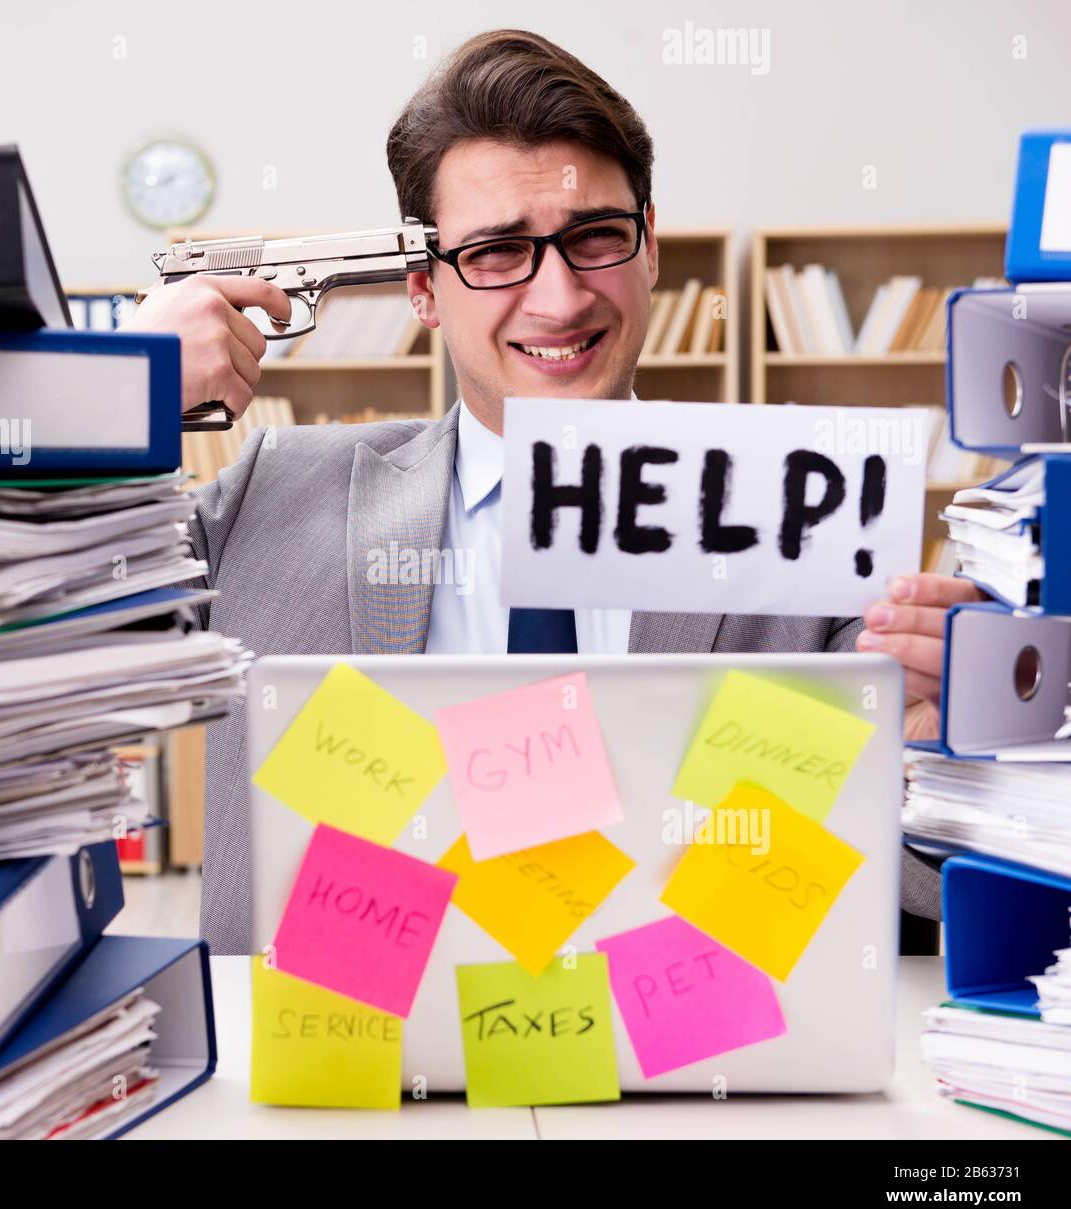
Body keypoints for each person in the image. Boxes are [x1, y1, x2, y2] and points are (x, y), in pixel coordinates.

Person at [131, 28, 973, 954]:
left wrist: (952, 770)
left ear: (649, 246)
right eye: (496, 252)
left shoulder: (802, 522)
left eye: (596, 238)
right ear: (422, 286)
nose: (561, 300)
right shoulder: (273, 497)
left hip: (687, 1070)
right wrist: (121, 397)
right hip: (345, 1074)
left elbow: (920, 887)